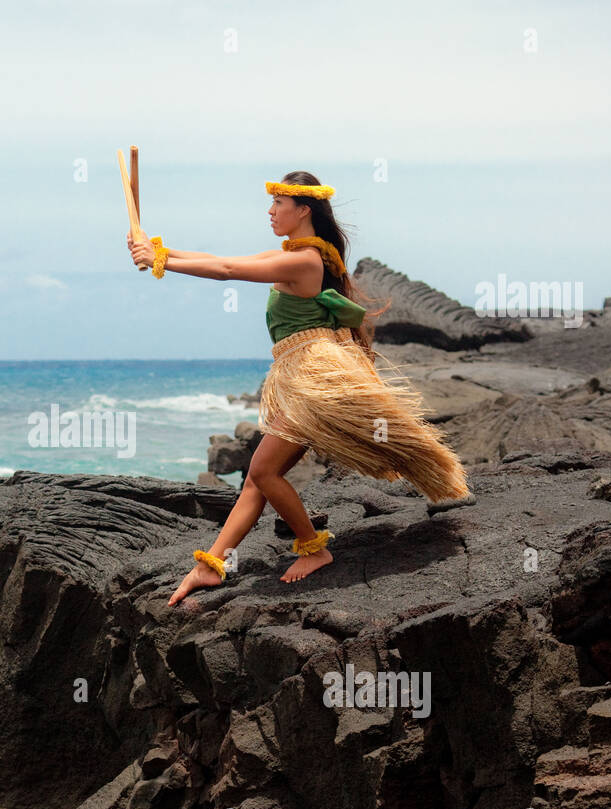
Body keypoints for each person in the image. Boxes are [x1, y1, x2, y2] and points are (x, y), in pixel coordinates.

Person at [126, 171, 471, 607]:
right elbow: (220, 257)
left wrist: (161, 263)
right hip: (305, 378)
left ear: (302, 209)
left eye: (278, 205)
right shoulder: (299, 254)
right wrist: (156, 250)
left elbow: (228, 270)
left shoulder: (305, 260)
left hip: (313, 382)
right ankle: (209, 566)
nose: (270, 212)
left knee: (264, 473)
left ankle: (313, 547)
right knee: (257, 477)